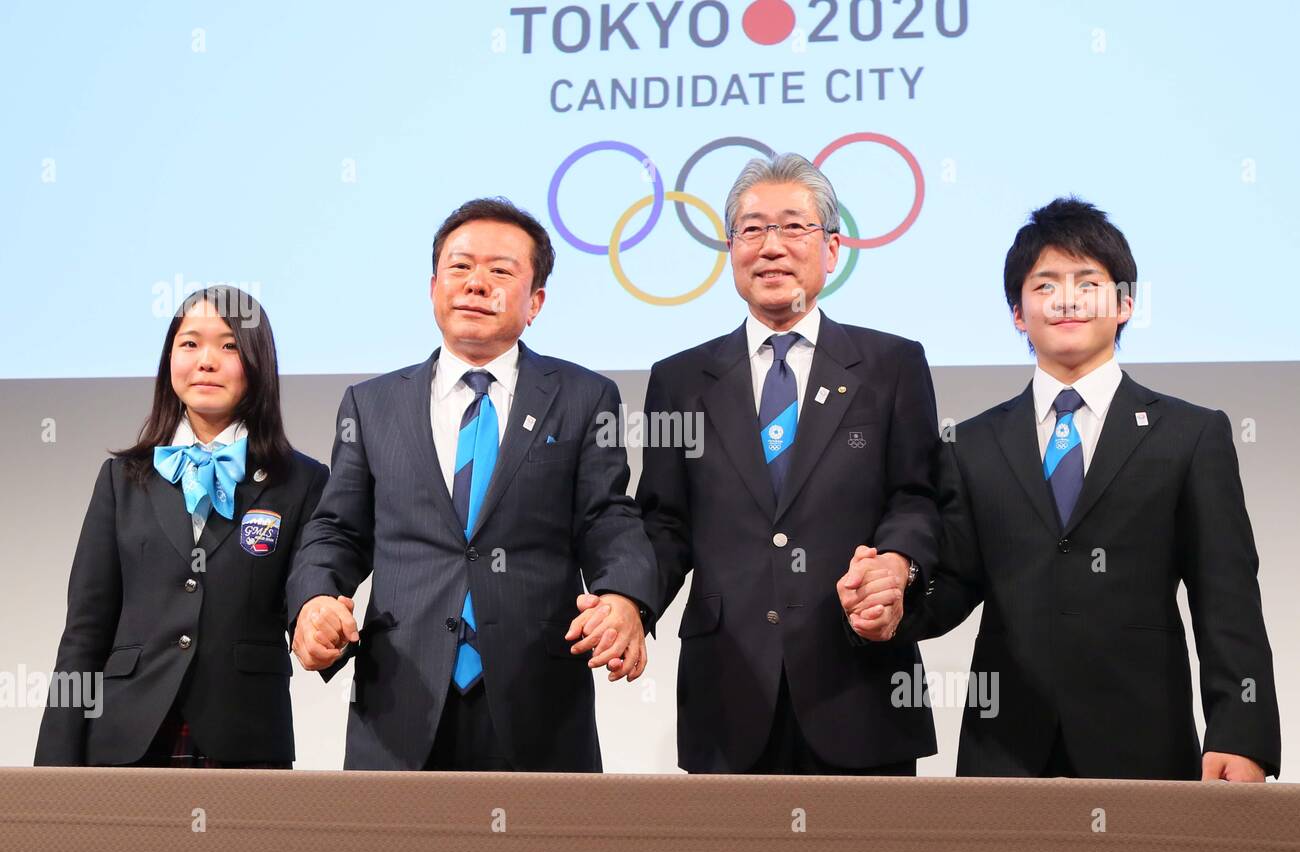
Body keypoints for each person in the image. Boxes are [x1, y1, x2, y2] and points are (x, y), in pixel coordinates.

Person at [843, 197, 1282, 780]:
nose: (1068, 299)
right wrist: (891, 605)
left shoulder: (1191, 435)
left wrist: (1241, 734)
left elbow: (1226, 599)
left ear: (1126, 304)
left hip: (1146, 746)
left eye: (1088, 282)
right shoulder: (972, 445)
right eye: (1045, 285)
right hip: (1004, 753)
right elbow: (952, 587)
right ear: (1018, 314)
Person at [287, 197, 658, 772]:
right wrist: (311, 600)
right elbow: (337, 529)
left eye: (501, 271)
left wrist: (625, 597)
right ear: (433, 286)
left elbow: (606, 517)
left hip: (537, 694)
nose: (476, 284)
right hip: (399, 695)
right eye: (459, 268)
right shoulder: (371, 404)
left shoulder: (585, 398)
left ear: (535, 302)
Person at [636, 154, 942, 774]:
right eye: (751, 229)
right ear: (730, 251)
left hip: (858, 678)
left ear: (831, 250)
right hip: (728, 688)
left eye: (793, 227)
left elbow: (918, 497)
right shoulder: (679, 380)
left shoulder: (893, 366)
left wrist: (898, 566)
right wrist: (630, 604)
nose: (771, 247)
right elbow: (664, 524)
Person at [35, 286, 328, 767]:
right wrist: (54, 764)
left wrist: (322, 622)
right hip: (122, 741)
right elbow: (84, 632)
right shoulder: (122, 479)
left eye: (229, 345)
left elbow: (306, 599)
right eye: (189, 343)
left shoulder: (304, 481)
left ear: (258, 362)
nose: (206, 361)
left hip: (245, 742)